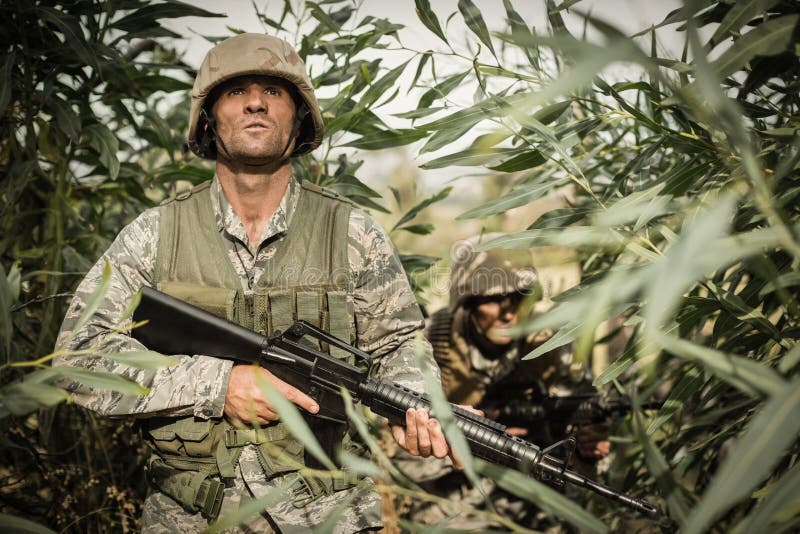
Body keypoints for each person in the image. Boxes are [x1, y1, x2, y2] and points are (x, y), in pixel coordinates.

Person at [54, 33, 454, 533]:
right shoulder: (154, 236)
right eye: (236, 90)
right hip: (190, 517)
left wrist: (416, 407)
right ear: (209, 119)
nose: (256, 102)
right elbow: (77, 361)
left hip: (328, 515)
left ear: (299, 118)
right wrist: (219, 385)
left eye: (274, 90)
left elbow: (398, 348)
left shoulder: (353, 232)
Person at [400, 234, 610, 530]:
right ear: (468, 301)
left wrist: (588, 448)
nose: (508, 312)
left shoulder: (552, 346)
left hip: (536, 494)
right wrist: (478, 444)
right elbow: (401, 454)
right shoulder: (433, 345)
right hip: (456, 499)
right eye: (494, 298)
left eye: (519, 297)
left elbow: (585, 450)